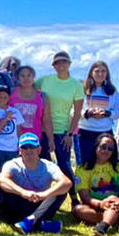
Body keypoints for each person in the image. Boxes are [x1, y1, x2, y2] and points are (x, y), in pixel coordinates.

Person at [0, 133, 70, 234]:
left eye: (32, 147)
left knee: (61, 192)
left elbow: (67, 182)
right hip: (18, 203)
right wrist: (23, 192)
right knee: (3, 187)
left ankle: (30, 221)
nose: (28, 150)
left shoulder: (49, 166)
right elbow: (1, 179)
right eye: (25, 148)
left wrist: (44, 195)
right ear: (20, 151)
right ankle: (42, 225)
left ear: (39, 149)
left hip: (39, 204)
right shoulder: (12, 164)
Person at [36, 51, 84, 203]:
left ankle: (74, 198)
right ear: (53, 66)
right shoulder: (44, 80)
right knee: (43, 163)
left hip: (63, 131)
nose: (60, 65)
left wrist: (70, 134)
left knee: (64, 164)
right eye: (57, 63)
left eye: (63, 62)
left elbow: (77, 112)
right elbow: (26, 88)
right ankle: (43, 196)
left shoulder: (76, 85)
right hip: (43, 129)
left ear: (69, 64)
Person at [72, 132, 119, 236]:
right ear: (96, 147)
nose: (106, 151)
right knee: (78, 210)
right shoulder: (83, 168)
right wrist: (100, 204)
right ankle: (114, 219)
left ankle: (103, 226)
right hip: (94, 205)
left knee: (113, 198)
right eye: (103, 147)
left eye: (110, 148)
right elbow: (84, 196)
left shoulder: (118, 167)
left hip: (115, 204)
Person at [76, 61, 119, 168]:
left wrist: (107, 113)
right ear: (91, 73)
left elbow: (118, 111)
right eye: (97, 71)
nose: (100, 74)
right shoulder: (82, 89)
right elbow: (74, 109)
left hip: (105, 132)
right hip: (85, 132)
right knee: (86, 163)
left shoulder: (112, 91)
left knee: (105, 163)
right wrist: (87, 113)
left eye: (103, 71)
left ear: (107, 73)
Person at [9, 65, 53, 159]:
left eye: (29, 75)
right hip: (13, 140)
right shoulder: (10, 93)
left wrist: (50, 139)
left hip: (35, 138)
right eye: (23, 76)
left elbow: (47, 119)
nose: (26, 78)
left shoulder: (42, 96)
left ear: (33, 77)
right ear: (18, 78)